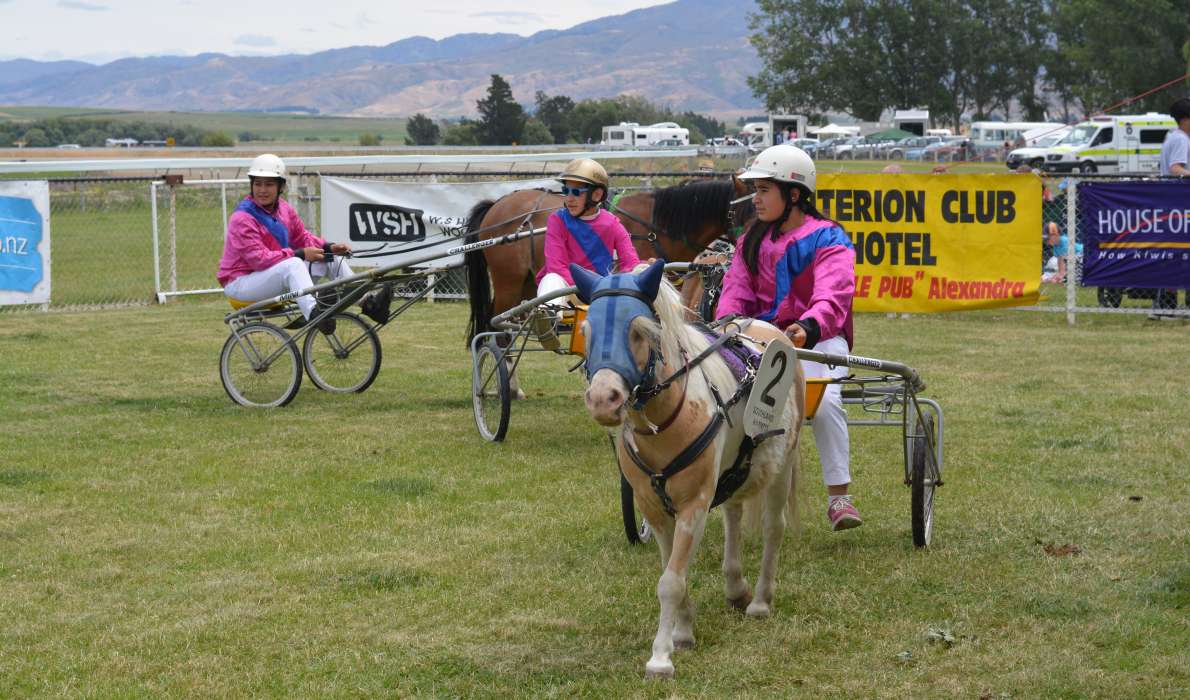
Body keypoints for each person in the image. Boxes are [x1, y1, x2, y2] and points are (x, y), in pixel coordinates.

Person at [714, 144, 862, 531]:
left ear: (794, 194)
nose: (755, 199)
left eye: (764, 190)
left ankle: (839, 498)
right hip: (757, 339)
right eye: (755, 190)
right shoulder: (751, 239)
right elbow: (735, 290)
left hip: (818, 340)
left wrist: (809, 327)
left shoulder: (829, 237)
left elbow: (833, 294)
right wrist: (727, 322)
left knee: (825, 403)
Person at [217, 154, 390, 332]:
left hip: (267, 277)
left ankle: (370, 304)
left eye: (268, 184)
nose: (262, 190)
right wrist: (300, 254)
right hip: (240, 284)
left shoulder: (284, 209)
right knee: (293, 264)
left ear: (280, 186)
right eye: (258, 184)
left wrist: (328, 247)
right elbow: (259, 260)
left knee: (330, 258)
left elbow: (302, 237)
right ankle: (316, 316)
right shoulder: (242, 218)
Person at [534, 158, 641, 348]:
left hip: (600, 293)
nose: (569, 198)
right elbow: (556, 266)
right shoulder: (557, 220)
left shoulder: (612, 223)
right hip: (567, 292)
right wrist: (585, 287)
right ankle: (547, 321)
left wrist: (640, 270)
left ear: (597, 194)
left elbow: (630, 263)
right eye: (566, 190)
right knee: (551, 278)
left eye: (576, 192)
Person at [1152, 97, 1190, 318]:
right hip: (1179, 203)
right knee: (1180, 255)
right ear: (1185, 120)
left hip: (1170, 203)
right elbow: (1176, 169)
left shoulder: (1172, 137)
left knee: (1173, 255)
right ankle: (1167, 306)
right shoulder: (1182, 140)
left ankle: (1165, 306)